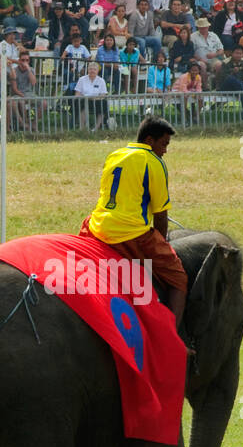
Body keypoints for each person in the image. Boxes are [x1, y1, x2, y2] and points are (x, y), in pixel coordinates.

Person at [80, 116, 189, 326]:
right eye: (164, 144)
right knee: (179, 279)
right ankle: (172, 339)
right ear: (150, 140)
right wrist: (162, 242)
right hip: (131, 235)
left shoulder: (115, 154)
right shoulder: (154, 162)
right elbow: (160, 214)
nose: (165, 150)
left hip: (96, 227)